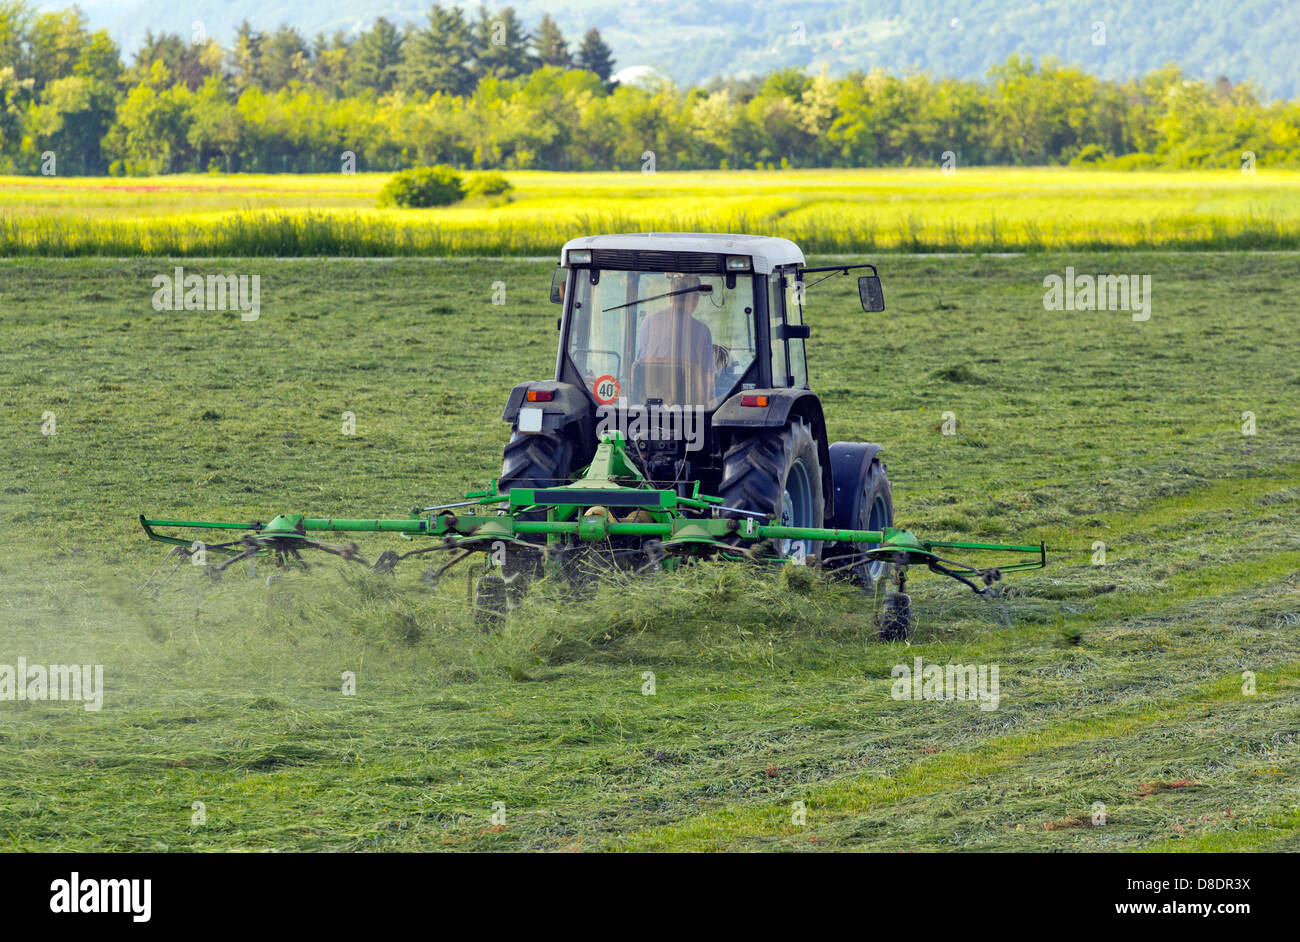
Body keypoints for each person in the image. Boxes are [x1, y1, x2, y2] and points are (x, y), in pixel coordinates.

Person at [634, 274, 715, 402]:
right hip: (688, 404)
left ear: (671, 297)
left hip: (650, 399)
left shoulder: (648, 322)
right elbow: (708, 379)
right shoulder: (702, 331)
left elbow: (640, 365)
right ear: (695, 300)